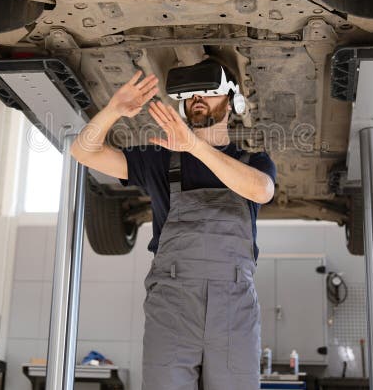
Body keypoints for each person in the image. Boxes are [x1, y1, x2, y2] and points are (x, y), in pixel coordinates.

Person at [70, 60, 276, 390]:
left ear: (231, 102)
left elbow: (261, 190)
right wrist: (113, 110)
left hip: (233, 305)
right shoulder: (160, 161)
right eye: (192, 94)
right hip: (174, 303)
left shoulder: (253, 162)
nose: (198, 98)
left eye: (208, 93)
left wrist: (195, 145)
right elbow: (84, 151)